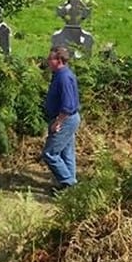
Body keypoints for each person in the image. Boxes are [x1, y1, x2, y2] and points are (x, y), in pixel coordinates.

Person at [42, 46, 81, 192]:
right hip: (67, 118)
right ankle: (68, 188)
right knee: (66, 153)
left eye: (50, 59)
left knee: (50, 153)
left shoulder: (64, 77)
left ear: (59, 60)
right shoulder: (59, 74)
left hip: (65, 119)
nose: (48, 62)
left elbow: (68, 105)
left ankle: (69, 183)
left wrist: (58, 122)